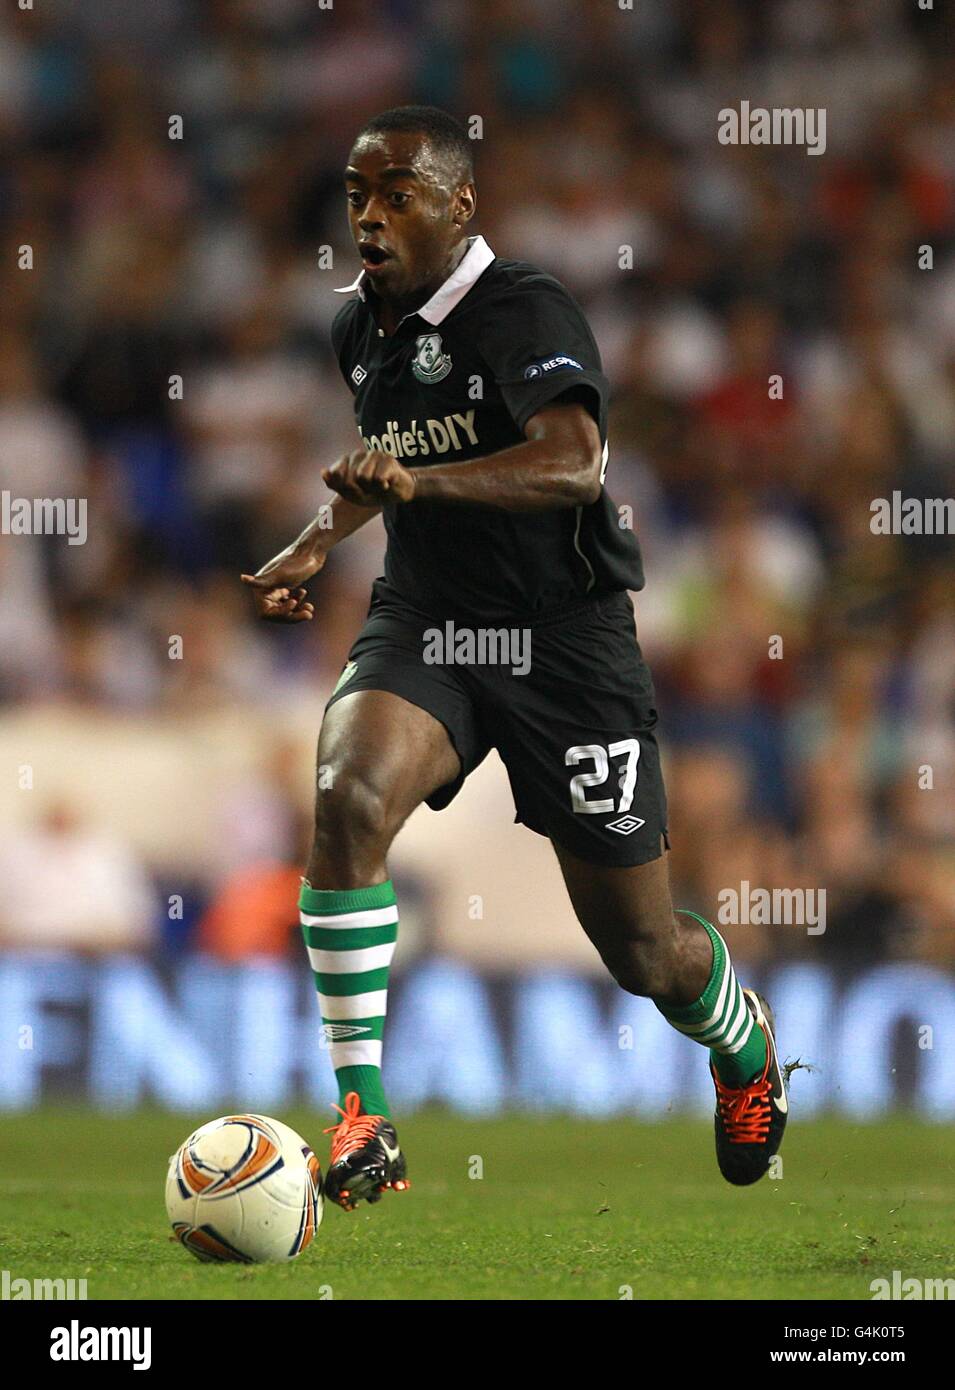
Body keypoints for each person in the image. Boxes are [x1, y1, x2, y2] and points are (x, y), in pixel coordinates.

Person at [242, 106, 787, 1210]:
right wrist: (312, 540)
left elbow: (574, 464)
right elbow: (385, 467)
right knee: (347, 791)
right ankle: (362, 1110)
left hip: (565, 643)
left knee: (643, 953)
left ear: (459, 203)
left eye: (397, 194)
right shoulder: (360, 328)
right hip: (430, 622)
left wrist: (419, 486)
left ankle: (739, 1037)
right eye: (357, 195)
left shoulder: (524, 308)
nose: (371, 217)